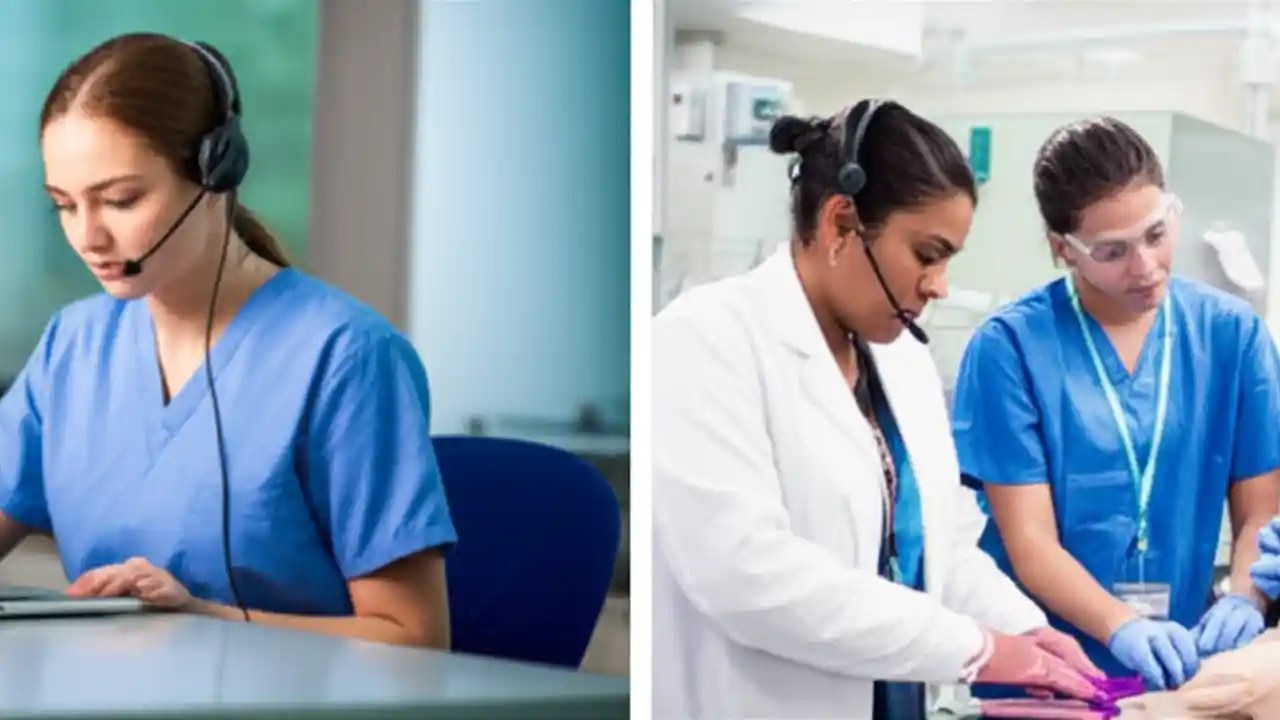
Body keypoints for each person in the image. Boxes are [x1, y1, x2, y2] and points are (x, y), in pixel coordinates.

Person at [652, 99, 1107, 720]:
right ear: (842, 222)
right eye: (927, 254)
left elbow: (943, 547)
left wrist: (1026, 633)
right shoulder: (706, 338)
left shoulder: (899, 359)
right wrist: (976, 649)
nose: (939, 284)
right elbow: (747, 575)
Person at [0, 33, 456, 647]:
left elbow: (415, 638)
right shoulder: (73, 347)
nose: (88, 237)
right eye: (64, 205)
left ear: (216, 169)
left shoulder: (346, 356)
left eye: (120, 200)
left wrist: (202, 619)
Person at [950, 116, 1280, 695]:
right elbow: (1030, 544)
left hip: (1188, 669)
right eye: (1112, 251)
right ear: (1062, 249)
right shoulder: (1011, 349)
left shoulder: (1231, 336)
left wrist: (1248, 596)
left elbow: (1262, 512)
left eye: (1157, 233)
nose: (1146, 266)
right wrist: (1120, 625)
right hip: (1048, 675)